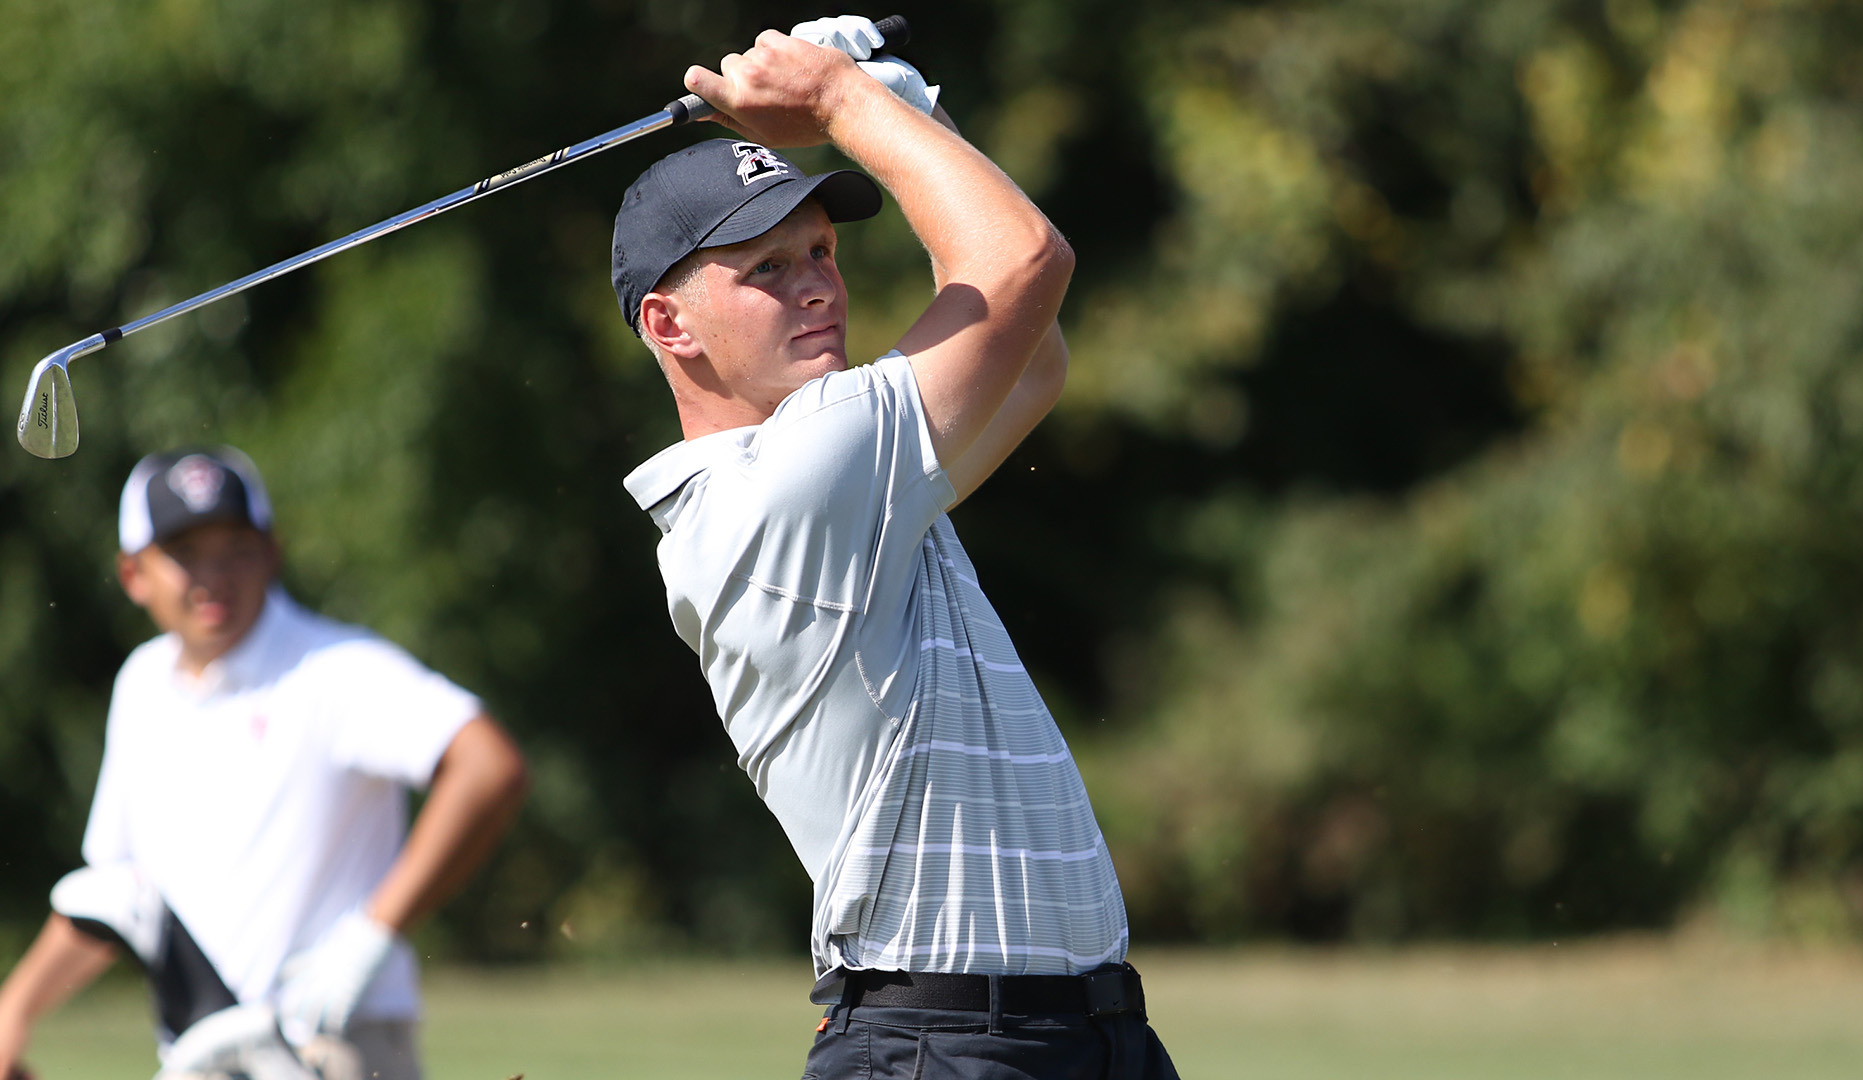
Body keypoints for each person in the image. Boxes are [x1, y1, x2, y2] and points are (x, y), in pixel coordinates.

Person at [614, 16, 1179, 1077]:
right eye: (767, 268)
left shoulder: (845, 470)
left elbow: (1034, 356)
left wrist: (897, 103)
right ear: (670, 325)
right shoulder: (785, 486)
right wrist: (846, 101)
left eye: (822, 252)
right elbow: (1023, 259)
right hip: (946, 1047)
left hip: (1079, 1034)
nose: (818, 283)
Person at [0, 446, 528, 1080]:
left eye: (236, 551)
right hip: (200, 1056)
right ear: (133, 574)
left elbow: (486, 765)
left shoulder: (334, 668)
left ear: (272, 554)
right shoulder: (141, 686)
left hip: (331, 1044)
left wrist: (373, 932)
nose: (213, 575)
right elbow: (118, 893)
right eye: (184, 554)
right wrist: (13, 1013)